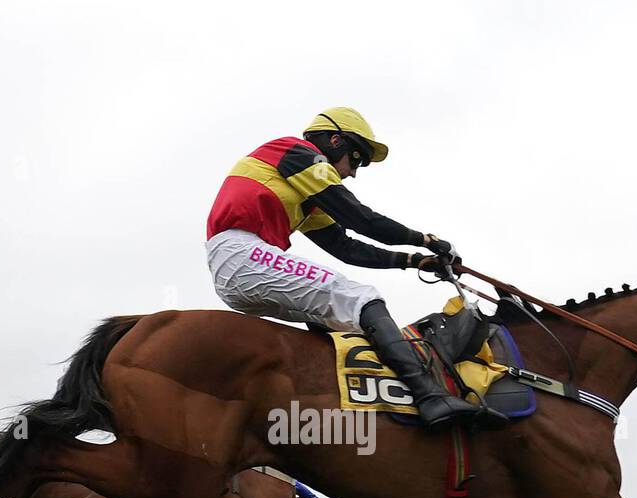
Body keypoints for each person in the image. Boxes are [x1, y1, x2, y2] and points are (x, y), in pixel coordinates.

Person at [205, 107, 485, 430]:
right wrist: (425, 239)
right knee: (361, 298)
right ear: (335, 141)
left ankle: (349, 414)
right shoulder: (300, 153)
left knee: (343, 322)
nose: (353, 171)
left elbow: (345, 247)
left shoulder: (301, 189)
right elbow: (359, 218)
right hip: (242, 255)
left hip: (241, 264)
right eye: (356, 158)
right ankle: (430, 396)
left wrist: (412, 261)